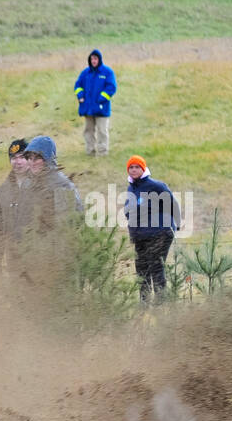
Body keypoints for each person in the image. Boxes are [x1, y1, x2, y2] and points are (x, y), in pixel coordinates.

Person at [122, 155, 178, 303]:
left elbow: (172, 203)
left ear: (143, 169)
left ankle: (161, 303)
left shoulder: (156, 186)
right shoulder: (131, 188)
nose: (134, 170)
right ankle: (144, 303)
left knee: (156, 267)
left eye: (137, 167)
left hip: (159, 233)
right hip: (140, 236)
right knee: (141, 270)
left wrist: (175, 224)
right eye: (131, 167)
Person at [23, 136, 83, 236]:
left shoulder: (61, 185)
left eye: (37, 158)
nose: (32, 163)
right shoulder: (30, 181)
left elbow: (66, 225)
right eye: (29, 158)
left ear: (48, 159)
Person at [0, 138, 32, 272]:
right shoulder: (3, 191)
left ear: (30, 158)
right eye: (14, 158)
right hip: (13, 260)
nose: (18, 162)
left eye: (22, 157)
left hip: (38, 256)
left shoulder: (41, 185)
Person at [74, 49, 116, 156]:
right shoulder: (85, 73)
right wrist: (80, 96)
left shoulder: (107, 72)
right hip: (88, 108)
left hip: (102, 108)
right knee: (88, 130)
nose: (93, 61)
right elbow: (77, 85)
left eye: (95, 59)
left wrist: (101, 98)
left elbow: (111, 87)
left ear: (99, 59)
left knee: (102, 131)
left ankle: (103, 152)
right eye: (92, 59)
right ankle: (90, 151)